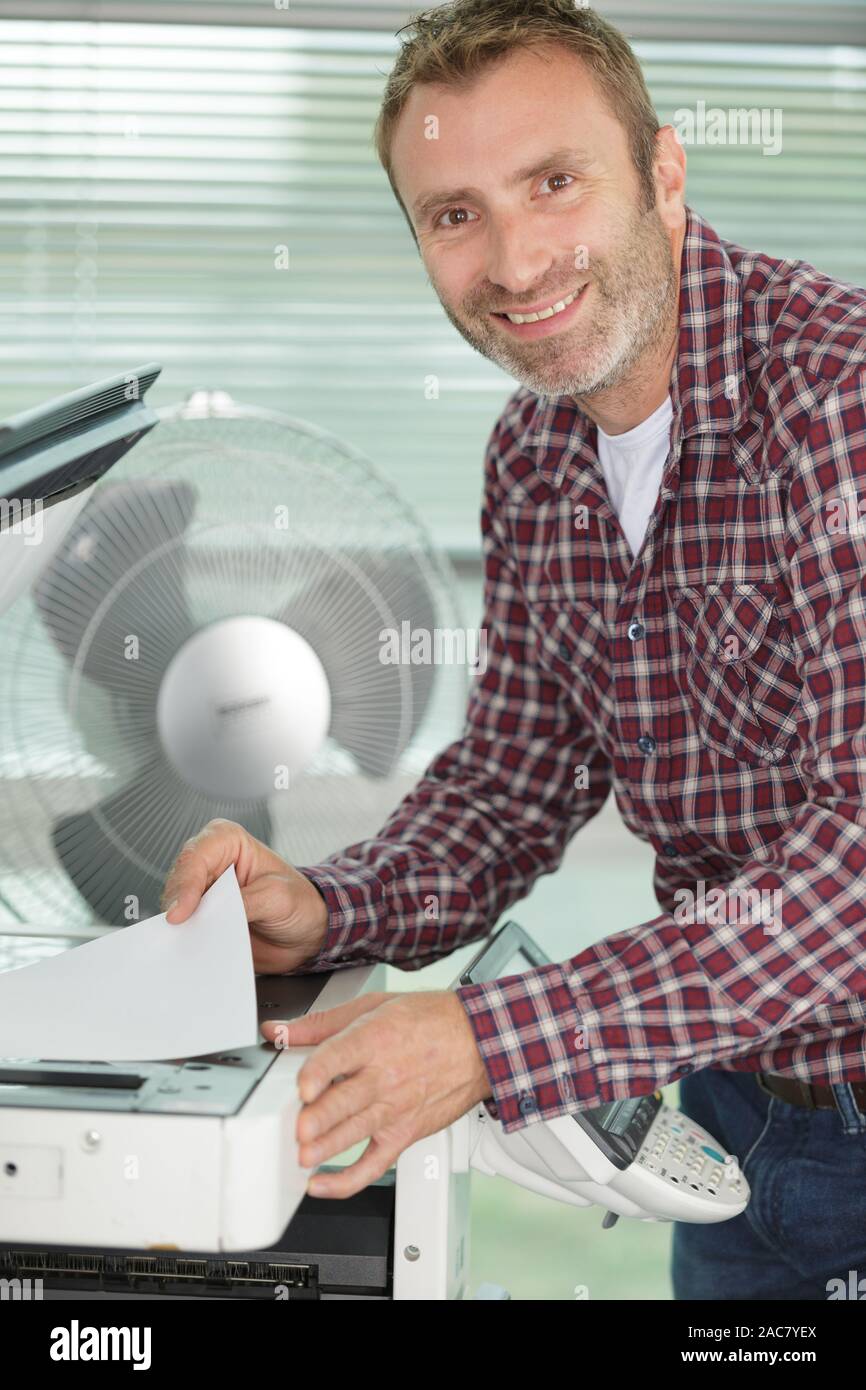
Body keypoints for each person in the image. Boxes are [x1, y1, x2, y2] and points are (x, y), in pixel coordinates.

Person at [161, 1, 866, 1299]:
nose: (514, 258)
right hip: (725, 1105)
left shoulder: (838, 398)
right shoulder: (536, 451)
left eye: (553, 182)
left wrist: (493, 1035)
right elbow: (511, 783)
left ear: (661, 170)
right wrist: (328, 902)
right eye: (453, 212)